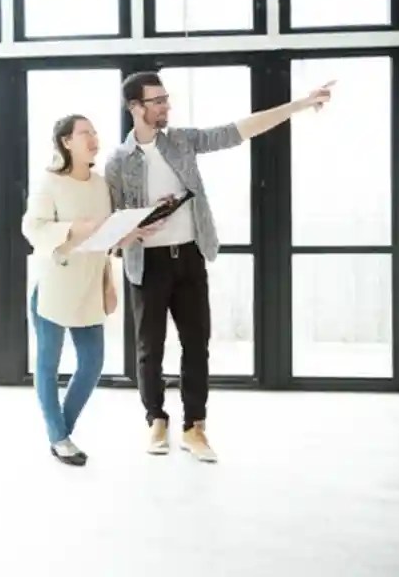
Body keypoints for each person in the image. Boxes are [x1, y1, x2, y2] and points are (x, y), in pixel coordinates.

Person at [104, 72, 334, 463]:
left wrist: (299, 105)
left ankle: (195, 427)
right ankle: (156, 420)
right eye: (157, 100)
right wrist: (137, 227)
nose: (166, 106)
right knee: (149, 350)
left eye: (166, 98)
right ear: (135, 108)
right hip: (149, 265)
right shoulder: (117, 161)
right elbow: (112, 222)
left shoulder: (181, 141)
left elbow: (238, 130)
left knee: (197, 345)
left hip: (190, 257)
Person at [22, 114, 160, 466]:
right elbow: (33, 229)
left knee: (92, 363)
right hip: (55, 284)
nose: (93, 138)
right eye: (85, 133)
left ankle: (60, 431)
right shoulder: (48, 183)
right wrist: (74, 228)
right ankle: (59, 436)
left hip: (89, 284)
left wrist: (129, 235)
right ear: (66, 142)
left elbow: (104, 235)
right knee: (47, 365)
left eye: (95, 132)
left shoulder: (100, 185)